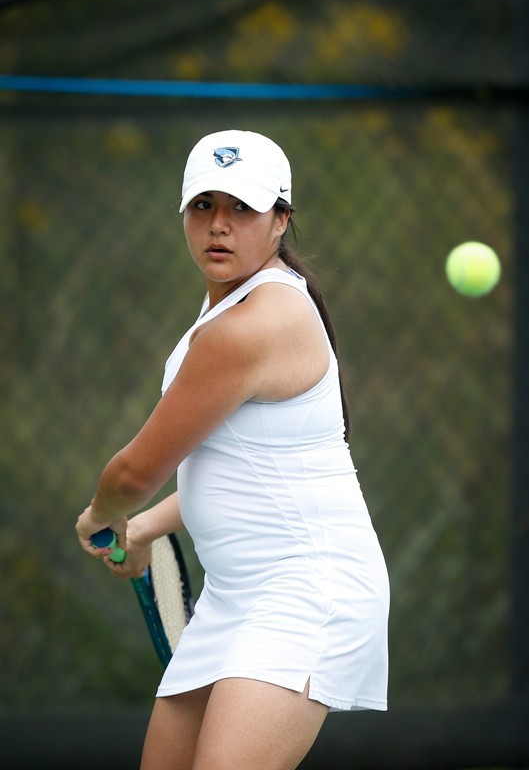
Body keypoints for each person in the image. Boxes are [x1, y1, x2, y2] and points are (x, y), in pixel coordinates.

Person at [76, 129, 390, 770]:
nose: (219, 225)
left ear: (281, 220)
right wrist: (144, 528)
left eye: (243, 207)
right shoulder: (227, 306)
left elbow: (135, 472)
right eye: (204, 205)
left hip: (307, 593)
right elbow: (239, 470)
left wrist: (103, 514)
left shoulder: (253, 326)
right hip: (234, 598)